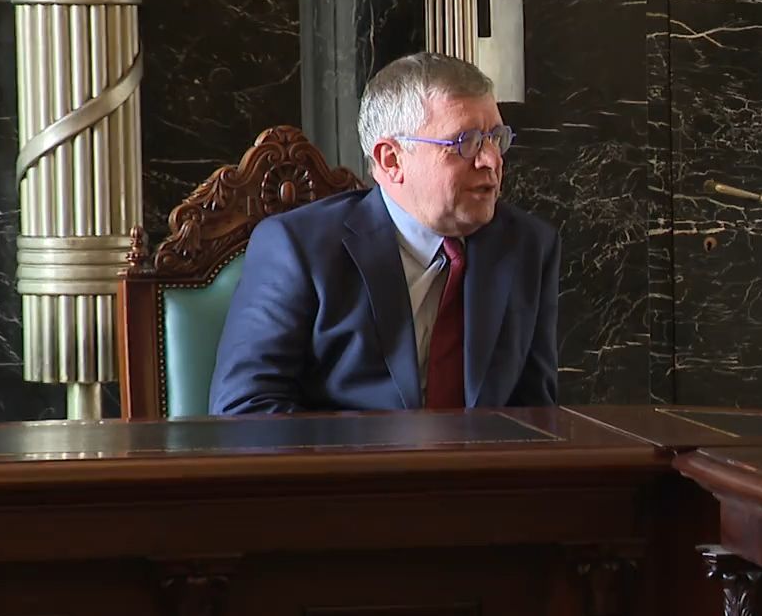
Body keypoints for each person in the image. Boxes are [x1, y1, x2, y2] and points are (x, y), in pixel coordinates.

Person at [209, 52, 560, 414]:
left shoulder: (527, 245)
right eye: (466, 142)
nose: (491, 160)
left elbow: (535, 415)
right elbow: (244, 410)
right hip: (348, 467)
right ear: (391, 160)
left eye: (495, 138)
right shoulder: (299, 249)